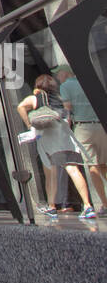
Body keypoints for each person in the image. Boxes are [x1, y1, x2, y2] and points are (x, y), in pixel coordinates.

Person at [17, 74, 95, 221]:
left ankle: (52, 207)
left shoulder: (36, 98)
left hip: (47, 137)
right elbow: (68, 114)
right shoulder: (60, 98)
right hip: (64, 135)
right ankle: (87, 205)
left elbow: (21, 106)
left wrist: (28, 124)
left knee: (50, 172)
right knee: (72, 169)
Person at [58, 65, 107, 215]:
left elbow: (68, 107)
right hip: (101, 125)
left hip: (83, 127)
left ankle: (104, 204)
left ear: (65, 74)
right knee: (105, 165)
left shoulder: (65, 86)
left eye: (59, 74)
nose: (58, 77)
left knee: (92, 166)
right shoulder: (89, 81)